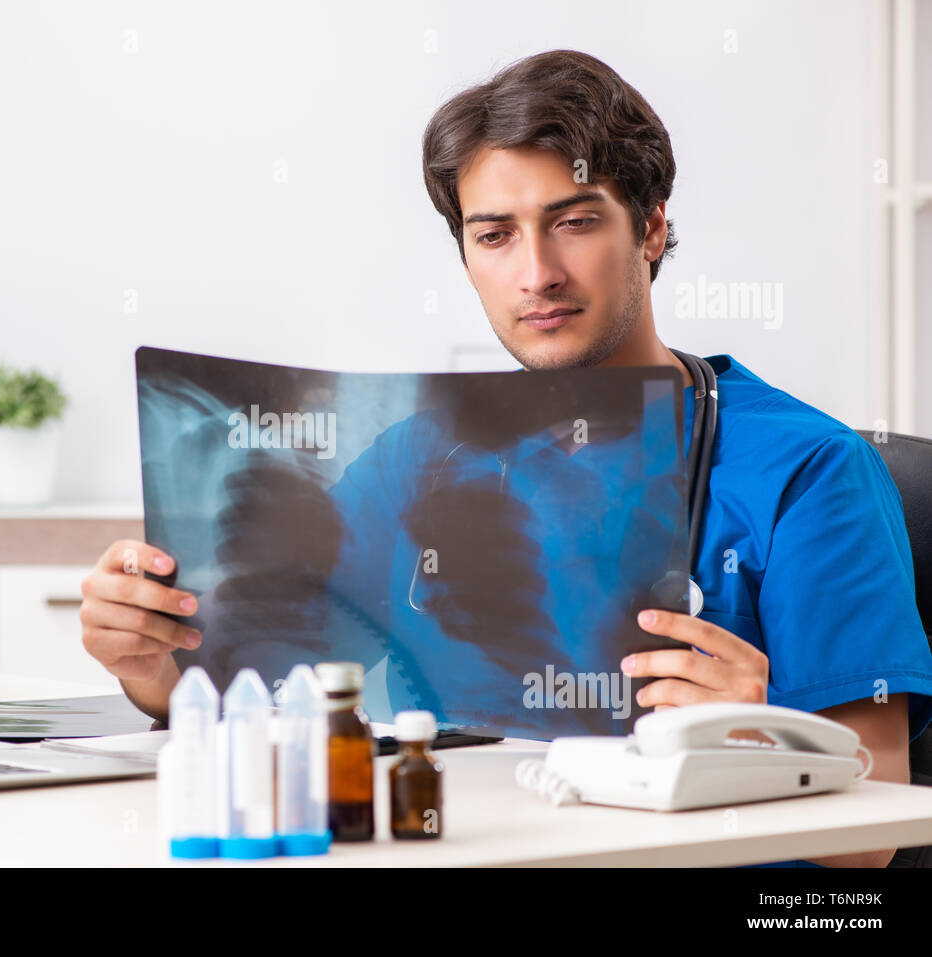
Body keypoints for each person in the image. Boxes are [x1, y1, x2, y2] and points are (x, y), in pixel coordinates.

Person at [79, 49, 932, 867]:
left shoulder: (810, 472)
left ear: (653, 228)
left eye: (575, 221)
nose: (537, 272)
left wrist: (768, 736)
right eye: (495, 235)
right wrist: (154, 664)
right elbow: (271, 683)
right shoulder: (420, 453)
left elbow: (869, 841)